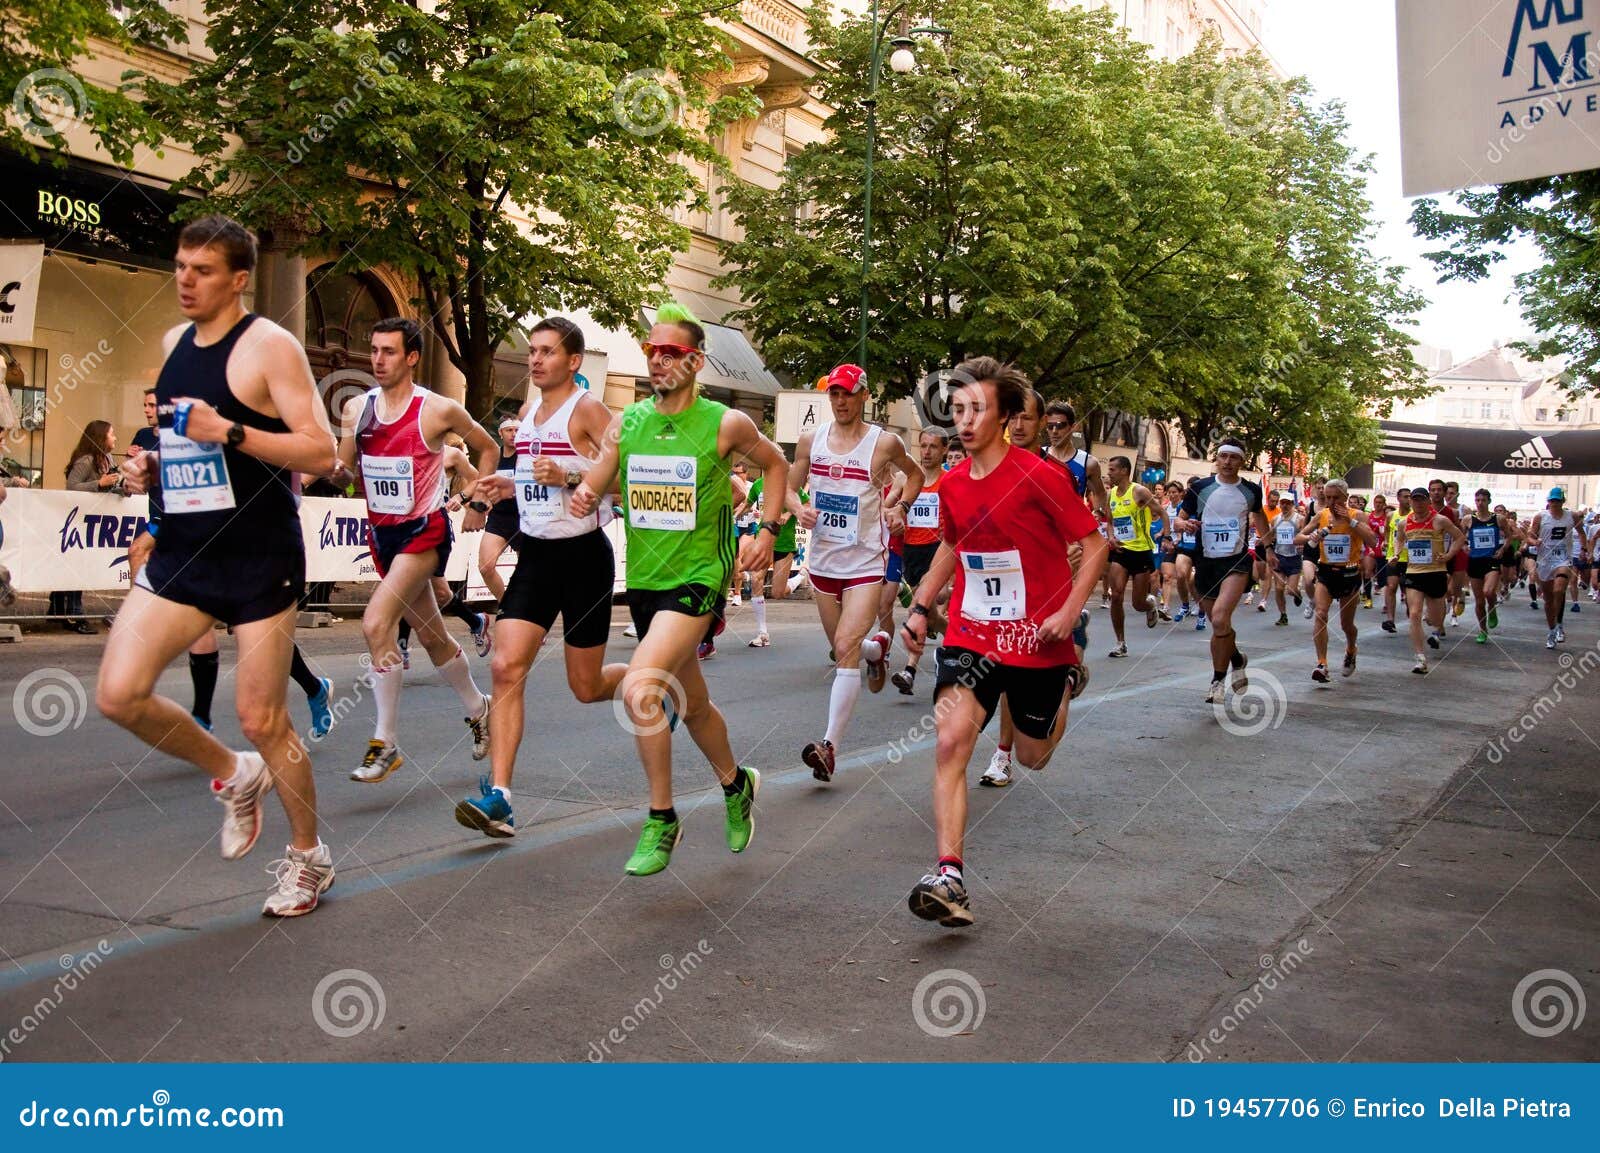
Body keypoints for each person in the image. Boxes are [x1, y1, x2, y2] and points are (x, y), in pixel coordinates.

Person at [98, 214, 336, 916]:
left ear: (239, 279)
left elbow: (322, 453)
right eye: (179, 266)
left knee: (262, 716)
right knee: (117, 693)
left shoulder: (271, 347)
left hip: (258, 554)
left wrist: (229, 430)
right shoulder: (174, 343)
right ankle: (234, 773)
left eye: (201, 270)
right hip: (183, 549)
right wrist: (151, 464)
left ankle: (307, 860)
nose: (184, 280)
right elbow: (187, 444)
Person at [569, 301, 787, 875]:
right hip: (644, 579)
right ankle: (737, 784)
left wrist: (766, 529)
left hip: (698, 579)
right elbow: (600, 476)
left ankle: (662, 819)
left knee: (643, 686)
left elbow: (777, 463)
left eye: (670, 352)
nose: (658, 360)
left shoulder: (724, 423)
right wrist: (583, 492)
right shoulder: (630, 421)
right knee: (692, 705)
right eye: (651, 351)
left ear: (696, 361)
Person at [900, 358, 1107, 927]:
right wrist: (922, 606)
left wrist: (1069, 611)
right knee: (949, 743)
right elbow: (950, 544)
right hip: (973, 632)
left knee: (1035, 757)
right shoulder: (954, 485)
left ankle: (1066, 680)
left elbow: (1093, 546)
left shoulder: (1040, 476)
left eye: (977, 410)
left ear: (1007, 417)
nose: (964, 421)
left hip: (1038, 635)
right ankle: (949, 875)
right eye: (958, 409)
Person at [454, 316, 626, 838]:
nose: (535, 359)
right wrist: (507, 483)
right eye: (532, 350)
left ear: (573, 362)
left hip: (583, 557)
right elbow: (534, 474)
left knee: (586, 685)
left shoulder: (589, 410)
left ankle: (644, 678)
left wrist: (574, 474)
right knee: (506, 666)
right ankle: (501, 796)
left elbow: (629, 473)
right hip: (536, 557)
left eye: (547, 351)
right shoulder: (527, 415)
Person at [335, 316, 498, 783]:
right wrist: (331, 471)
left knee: (375, 623)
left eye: (389, 351)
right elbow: (343, 470)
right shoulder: (357, 410)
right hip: (383, 537)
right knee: (431, 637)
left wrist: (479, 501)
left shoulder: (438, 410)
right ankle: (479, 708)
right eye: (373, 350)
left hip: (424, 532)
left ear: (411, 357)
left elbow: (487, 449)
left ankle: (385, 742)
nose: (378, 360)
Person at [787, 363, 923, 782]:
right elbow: (790, 486)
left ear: (864, 395)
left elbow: (914, 475)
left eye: (847, 393)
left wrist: (899, 506)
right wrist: (798, 508)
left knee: (845, 644)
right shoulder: (812, 440)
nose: (840, 401)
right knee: (842, 648)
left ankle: (829, 748)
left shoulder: (884, 443)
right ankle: (876, 650)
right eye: (834, 394)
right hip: (824, 562)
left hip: (866, 561)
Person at [1172, 444, 1268, 705]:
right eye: (1223, 456)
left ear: (1242, 462)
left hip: (1236, 561)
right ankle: (1237, 658)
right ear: (1216, 459)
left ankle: (1217, 681)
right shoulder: (1200, 487)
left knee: (1219, 618)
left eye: (1234, 457)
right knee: (1220, 625)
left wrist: (1269, 550)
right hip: (1206, 562)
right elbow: (1178, 520)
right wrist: (1185, 524)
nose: (1227, 461)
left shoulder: (1251, 490)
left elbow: (1260, 518)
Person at [1295, 479, 1376, 682]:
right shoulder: (1321, 515)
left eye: (1336, 498)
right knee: (1320, 614)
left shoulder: (1357, 515)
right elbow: (1297, 538)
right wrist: (1313, 536)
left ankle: (1351, 649)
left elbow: (1372, 540)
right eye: (1328, 497)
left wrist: (1351, 522)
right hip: (1326, 573)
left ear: (1345, 498)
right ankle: (1322, 664)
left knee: (1346, 625)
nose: (1331, 501)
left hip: (1349, 574)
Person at [892, 428, 950, 693]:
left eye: (933, 447)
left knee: (919, 608)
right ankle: (958, 639)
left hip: (937, 550)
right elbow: (889, 507)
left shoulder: (950, 481)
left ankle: (910, 669)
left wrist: (950, 528)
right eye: (923, 446)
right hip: (910, 550)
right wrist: (891, 516)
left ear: (944, 450)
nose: (926, 452)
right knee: (933, 616)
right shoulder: (906, 478)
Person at [57, 420, 123, 632]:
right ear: (101, 438)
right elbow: (72, 487)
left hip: (94, 521)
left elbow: (109, 486)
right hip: (78, 521)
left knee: (81, 564)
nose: (115, 438)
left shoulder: (108, 459)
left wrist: (121, 488)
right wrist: (99, 484)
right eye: (112, 434)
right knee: (76, 564)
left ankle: (56, 608)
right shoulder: (86, 460)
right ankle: (74, 613)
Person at [1398, 485, 1465, 674]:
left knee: (1435, 619)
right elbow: (1399, 539)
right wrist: (1395, 553)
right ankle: (1420, 657)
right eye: (1414, 499)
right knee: (1414, 614)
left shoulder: (1440, 520)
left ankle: (1433, 616)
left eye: (1421, 499)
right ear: (1410, 501)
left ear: (1428, 501)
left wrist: (1449, 555)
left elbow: (1459, 538)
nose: (1417, 503)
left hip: (1436, 572)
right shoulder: (1404, 522)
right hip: (1414, 572)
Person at [1103, 455, 1163, 657]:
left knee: (1138, 604)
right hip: (1121, 550)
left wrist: (1167, 534)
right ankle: (1120, 643)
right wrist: (1111, 537)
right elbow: (1109, 521)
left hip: (1141, 551)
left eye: (1112, 469)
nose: (1108, 473)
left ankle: (1150, 604)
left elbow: (1161, 513)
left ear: (1124, 471)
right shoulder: (1111, 494)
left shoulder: (1139, 491)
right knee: (1117, 594)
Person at [1531, 487, 1588, 649]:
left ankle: (1560, 624)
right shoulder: (1540, 517)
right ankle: (1552, 630)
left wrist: (1584, 549)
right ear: (1548, 502)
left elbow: (1582, 533)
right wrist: (1535, 542)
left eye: (1557, 501)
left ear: (1562, 501)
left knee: (1559, 590)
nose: (1554, 504)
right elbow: (1530, 535)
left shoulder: (1572, 516)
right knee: (1548, 601)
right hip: (1545, 561)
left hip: (1563, 560)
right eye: (1551, 501)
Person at [475, 416, 522, 612]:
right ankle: (507, 606)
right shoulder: (494, 456)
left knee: (526, 572)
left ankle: (527, 615)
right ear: (501, 433)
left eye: (517, 430)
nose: (513, 435)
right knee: (486, 567)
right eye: (509, 430)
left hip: (524, 518)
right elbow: (480, 482)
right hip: (499, 517)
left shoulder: (526, 455)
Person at [1464, 488, 1513, 645]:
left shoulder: (1498, 519)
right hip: (1475, 561)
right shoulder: (1468, 519)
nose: (1480, 503)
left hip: (1491, 559)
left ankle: (1492, 607)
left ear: (1488, 502)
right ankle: (1482, 630)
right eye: (1477, 500)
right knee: (1479, 601)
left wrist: (1502, 549)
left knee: (1488, 591)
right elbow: (1459, 536)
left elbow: (1509, 536)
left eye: (1483, 500)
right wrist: (1464, 547)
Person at [1268, 493, 1304, 626]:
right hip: (1280, 556)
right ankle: (1283, 615)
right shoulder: (1275, 519)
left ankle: (1297, 593)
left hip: (1294, 557)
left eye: (1287, 503)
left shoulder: (1299, 519)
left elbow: (1305, 533)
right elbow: (1270, 535)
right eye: (1282, 503)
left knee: (1291, 590)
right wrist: (1264, 542)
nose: (1284, 505)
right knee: (1278, 588)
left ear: (1292, 504)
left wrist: (1302, 543)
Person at [1380, 488, 1410, 634]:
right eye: (1405, 497)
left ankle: (1412, 612)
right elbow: (1386, 530)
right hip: (1393, 557)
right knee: (1391, 586)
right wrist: (1386, 541)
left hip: (1410, 558)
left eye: (1410, 497)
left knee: (1408, 588)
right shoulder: (1392, 515)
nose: (1408, 499)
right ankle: (1390, 619)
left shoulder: (1414, 515)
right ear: (1398, 498)